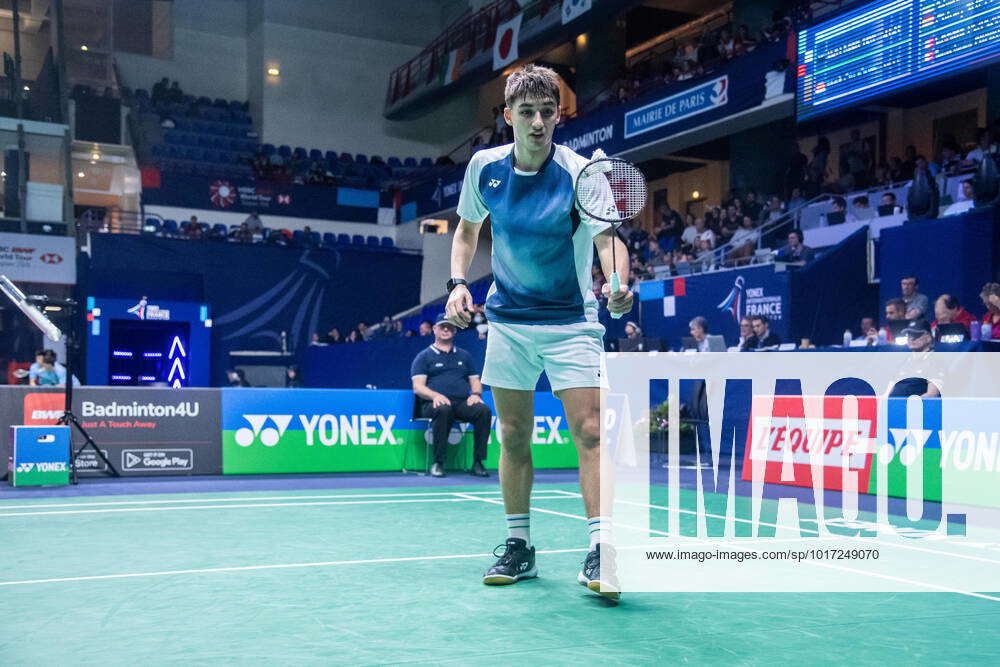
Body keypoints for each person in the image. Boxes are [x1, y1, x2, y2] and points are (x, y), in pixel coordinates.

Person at [446, 64, 632, 599]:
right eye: (526, 113)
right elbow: (465, 231)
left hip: (572, 322)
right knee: (513, 435)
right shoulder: (485, 168)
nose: (537, 123)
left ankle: (600, 550)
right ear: (508, 117)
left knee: (591, 430)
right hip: (508, 322)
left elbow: (607, 241)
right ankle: (520, 545)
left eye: (547, 113)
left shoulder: (581, 174)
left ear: (558, 116)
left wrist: (617, 280)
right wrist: (458, 282)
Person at [410, 314, 492, 478]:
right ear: (435, 330)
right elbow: (418, 387)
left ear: (455, 330)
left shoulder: (464, 356)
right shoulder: (424, 356)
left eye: (450, 327)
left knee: (483, 411)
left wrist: (476, 394)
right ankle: (438, 463)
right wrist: (435, 396)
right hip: (432, 404)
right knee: (444, 409)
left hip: (461, 403)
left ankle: (478, 462)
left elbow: (475, 380)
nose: (446, 329)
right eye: (442, 326)